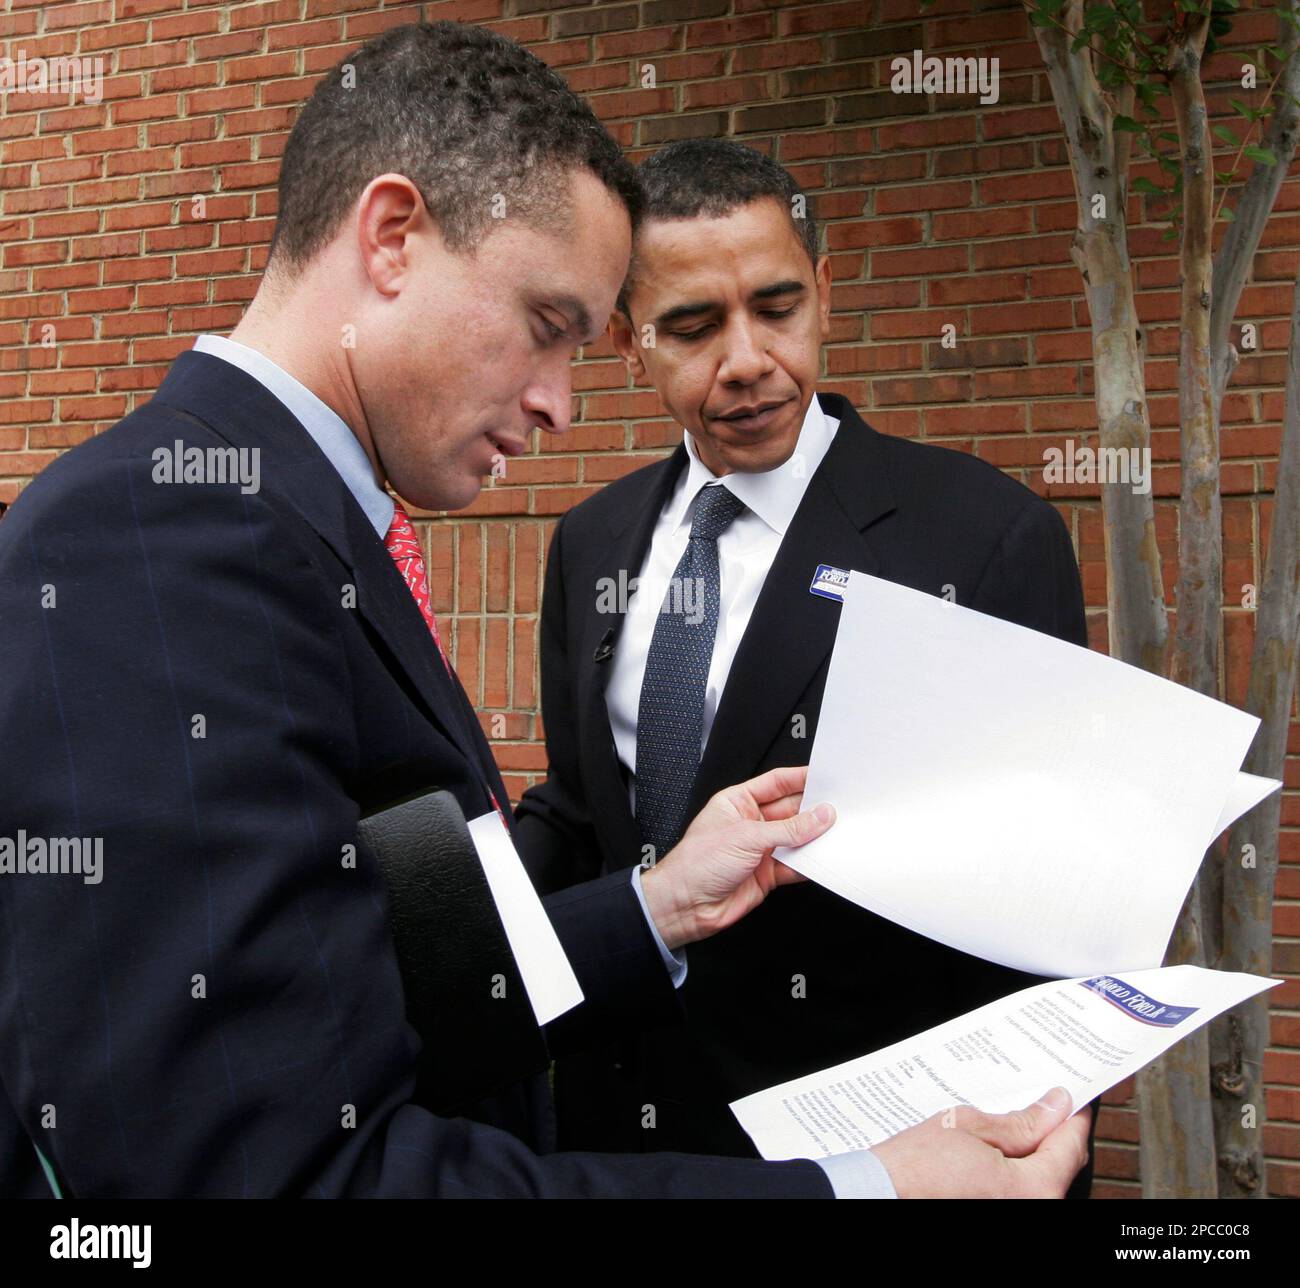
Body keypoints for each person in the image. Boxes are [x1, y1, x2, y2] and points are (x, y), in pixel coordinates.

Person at [0, 22, 1088, 1199]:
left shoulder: (307, 530)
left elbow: (403, 974)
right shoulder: (159, 545)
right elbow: (275, 1173)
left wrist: (652, 906)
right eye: (549, 327)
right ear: (393, 237)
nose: (564, 403)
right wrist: (866, 1191)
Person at [514, 138, 1098, 1195]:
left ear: (824, 295)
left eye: (776, 308)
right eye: (691, 327)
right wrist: (456, 946)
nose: (745, 360)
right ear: (626, 341)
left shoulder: (984, 538)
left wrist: (1042, 1134)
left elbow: (1047, 889)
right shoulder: (590, 543)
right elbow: (576, 808)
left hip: (875, 1148)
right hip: (613, 1138)